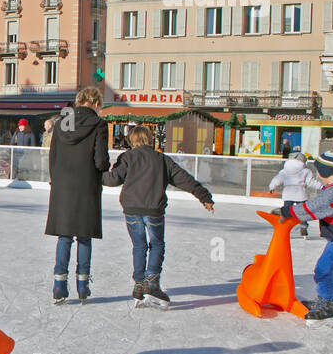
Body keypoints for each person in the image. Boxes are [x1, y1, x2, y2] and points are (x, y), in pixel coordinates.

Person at [101, 124, 215, 305]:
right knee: (156, 244)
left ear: (132, 140)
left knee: (139, 246)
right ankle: (151, 282)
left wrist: (92, 174)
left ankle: (139, 284)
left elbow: (113, 178)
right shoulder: (162, 159)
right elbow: (184, 179)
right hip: (154, 209)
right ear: (149, 139)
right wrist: (204, 196)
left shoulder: (127, 157)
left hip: (132, 209)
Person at [281, 145, 333, 320]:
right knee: (326, 269)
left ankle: (327, 304)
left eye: (319, 172)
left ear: (326, 172)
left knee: (324, 269)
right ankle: (324, 300)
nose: (318, 176)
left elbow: (313, 208)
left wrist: (286, 211)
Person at [46, 87, 110, 303]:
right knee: (83, 236)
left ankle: (58, 285)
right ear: (96, 103)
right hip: (86, 185)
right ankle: (83, 286)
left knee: (64, 236)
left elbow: (53, 155)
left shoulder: (63, 121)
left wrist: (55, 179)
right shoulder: (99, 125)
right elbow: (100, 161)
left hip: (62, 185)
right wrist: (106, 167)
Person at [268, 151, 318, 239]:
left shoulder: (284, 171)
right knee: (303, 211)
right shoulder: (306, 171)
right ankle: (303, 226)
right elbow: (310, 182)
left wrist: (272, 187)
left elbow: (277, 179)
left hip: (288, 193)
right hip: (301, 193)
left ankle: (283, 228)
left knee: (286, 212)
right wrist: (322, 187)